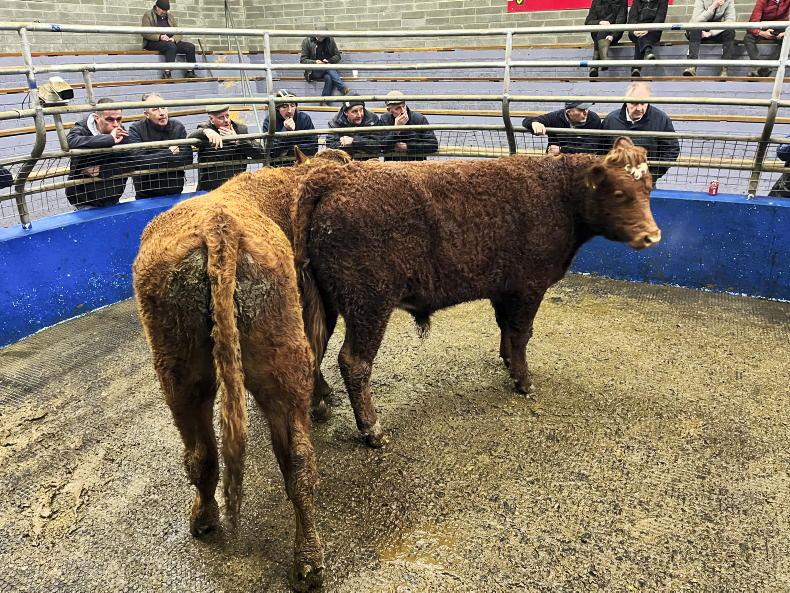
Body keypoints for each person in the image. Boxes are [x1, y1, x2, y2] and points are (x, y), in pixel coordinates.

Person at [602, 81, 680, 182]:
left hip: (645, 180)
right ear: (626, 100)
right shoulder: (610, 120)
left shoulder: (661, 119)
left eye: (643, 103)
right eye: (634, 103)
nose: (639, 108)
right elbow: (602, 150)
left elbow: (671, 149)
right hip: (617, 181)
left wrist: (652, 176)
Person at [65, 97, 132, 209]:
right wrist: (109, 139)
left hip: (112, 196)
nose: (116, 124)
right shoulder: (82, 128)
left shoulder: (121, 131)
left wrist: (103, 170)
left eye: (119, 119)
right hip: (85, 199)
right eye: (110, 120)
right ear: (97, 118)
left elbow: (132, 162)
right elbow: (70, 141)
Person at [128, 92, 193, 198]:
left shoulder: (177, 126)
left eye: (163, 107)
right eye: (155, 109)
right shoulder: (136, 129)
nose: (162, 112)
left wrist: (152, 158)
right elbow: (139, 162)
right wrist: (169, 153)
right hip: (146, 194)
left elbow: (187, 158)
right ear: (146, 114)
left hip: (175, 192)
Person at [189, 104, 266, 191]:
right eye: (221, 117)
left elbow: (261, 153)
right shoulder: (205, 129)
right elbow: (188, 139)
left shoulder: (240, 129)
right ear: (211, 119)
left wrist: (238, 140)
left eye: (227, 116)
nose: (226, 120)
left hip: (236, 187)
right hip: (210, 189)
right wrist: (205, 131)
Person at [141, 0, 197, 80]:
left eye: (166, 10)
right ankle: (167, 73)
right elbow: (145, 33)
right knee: (171, 46)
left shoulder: (170, 16)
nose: (164, 12)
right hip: (154, 42)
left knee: (190, 47)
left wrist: (173, 39)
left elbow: (179, 32)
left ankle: (190, 72)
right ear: (157, 7)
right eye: (162, 10)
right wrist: (160, 37)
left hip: (170, 42)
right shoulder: (148, 15)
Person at [522, 101, 603, 155]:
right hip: (557, 161)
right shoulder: (556, 117)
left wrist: (562, 150)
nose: (585, 112)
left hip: (582, 160)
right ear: (568, 112)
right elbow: (527, 120)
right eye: (581, 110)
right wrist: (534, 123)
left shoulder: (593, 119)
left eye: (586, 108)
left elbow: (591, 147)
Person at [377, 90, 439, 161]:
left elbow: (433, 145)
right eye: (397, 108)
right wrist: (396, 130)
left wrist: (408, 147)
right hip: (392, 165)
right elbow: (381, 146)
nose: (403, 111)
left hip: (415, 164)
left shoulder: (419, 119)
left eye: (403, 106)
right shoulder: (385, 119)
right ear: (389, 110)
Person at [261, 89, 318, 163]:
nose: (290, 110)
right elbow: (272, 152)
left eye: (292, 105)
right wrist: (285, 131)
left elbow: (313, 146)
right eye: (284, 107)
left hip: (302, 163)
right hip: (278, 166)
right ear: (277, 108)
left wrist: (291, 150)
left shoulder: (304, 118)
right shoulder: (270, 121)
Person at [683, 0, 736, 77]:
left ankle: (724, 69)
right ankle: (691, 66)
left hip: (714, 30)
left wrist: (711, 33)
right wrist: (713, 6)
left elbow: (731, 20)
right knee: (695, 29)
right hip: (698, 28)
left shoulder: (729, 1)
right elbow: (696, 20)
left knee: (730, 31)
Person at [744, 0, 790, 78]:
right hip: (764, 26)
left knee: (788, 41)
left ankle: (764, 69)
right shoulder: (762, 1)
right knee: (748, 38)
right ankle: (758, 66)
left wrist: (787, 32)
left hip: (782, 27)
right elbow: (752, 22)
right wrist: (762, 33)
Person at [300, 34, 351, 102]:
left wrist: (329, 60)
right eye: (318, 36)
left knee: (329, 77)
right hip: (313, 71)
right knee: (328, 67)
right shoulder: (307, 41)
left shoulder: (330, 40)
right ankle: (343, 89)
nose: (320, 38)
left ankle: (324, 101)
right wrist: (315, 62)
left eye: (322, 36)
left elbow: (338, 56)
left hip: (327, 69)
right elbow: (303, 60)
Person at [584, 0, 628, 78]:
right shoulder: (597, 1)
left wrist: (613, 36)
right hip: (597, 32)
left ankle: (594, 66)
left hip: (613, 33)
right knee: (601, 31)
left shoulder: (622, 1)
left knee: (603, 31)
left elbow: (621, 21)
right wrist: (600, 22)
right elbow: (588, 21)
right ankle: (603, 59)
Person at [627, 0, 669, 77]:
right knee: (640, 36)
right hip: (636, 30)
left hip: (653, 31)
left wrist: (647, 29)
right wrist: (634, 30)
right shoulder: (637, 1)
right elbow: (631, 18)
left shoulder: (662, 1)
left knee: (641, 38)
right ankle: (648, 50)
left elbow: (660, 19)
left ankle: (636, 69)